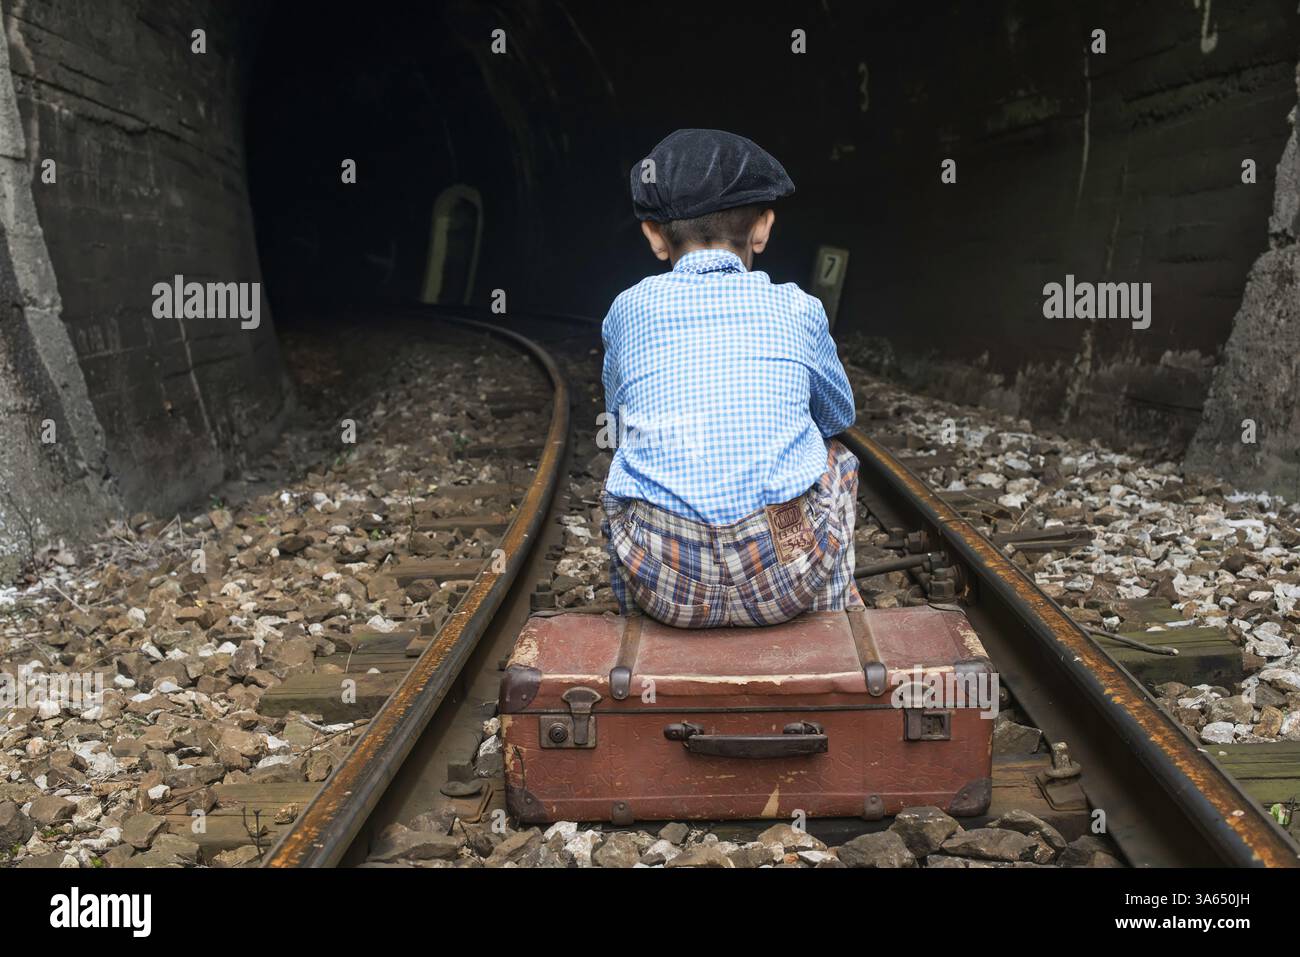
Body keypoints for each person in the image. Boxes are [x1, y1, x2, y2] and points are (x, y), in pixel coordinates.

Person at [599, 128, 862, 628]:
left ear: (653, 234)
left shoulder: (627, 309)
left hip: (666, 588)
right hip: (786, 578)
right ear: (763, 228)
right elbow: (837, 416)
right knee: (839, 458)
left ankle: (632, 627)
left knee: (623, 470)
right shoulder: (797, 307)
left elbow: (617, 421)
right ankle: (834, 621)